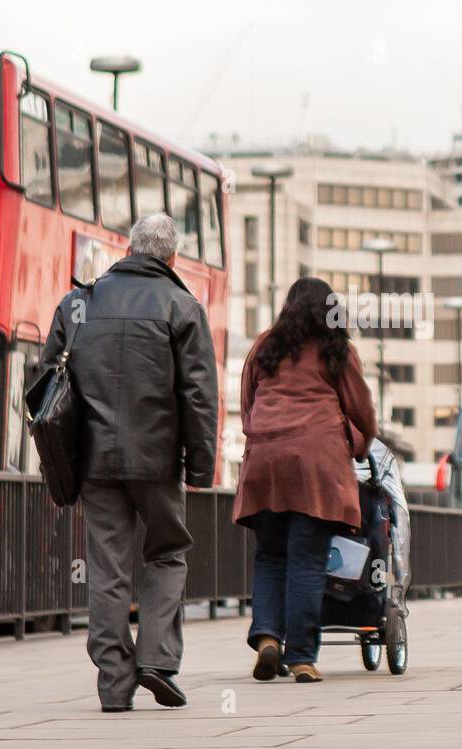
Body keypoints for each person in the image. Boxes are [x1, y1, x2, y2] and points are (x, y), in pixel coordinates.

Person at [41, 212, 217, 711]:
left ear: (128, 248)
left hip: (93, 460)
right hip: (157, 460)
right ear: (172, 257)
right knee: (167, 553)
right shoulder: (182, 306)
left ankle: (114, 684)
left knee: (108, 568)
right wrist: (200, 466)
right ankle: (157, 660)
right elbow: (199, 395)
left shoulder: (79, 303)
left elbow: (45, 376)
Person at [233, 277, 376, 682]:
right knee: (307, 561)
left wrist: (264, 437)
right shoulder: (337, 350)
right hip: (317, 464)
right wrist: (362, 443)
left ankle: (266, 638)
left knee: (271, 555)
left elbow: (247, 407)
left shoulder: (265, 346)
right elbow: (361, 409)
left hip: (266, 462)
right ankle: (301, 658)